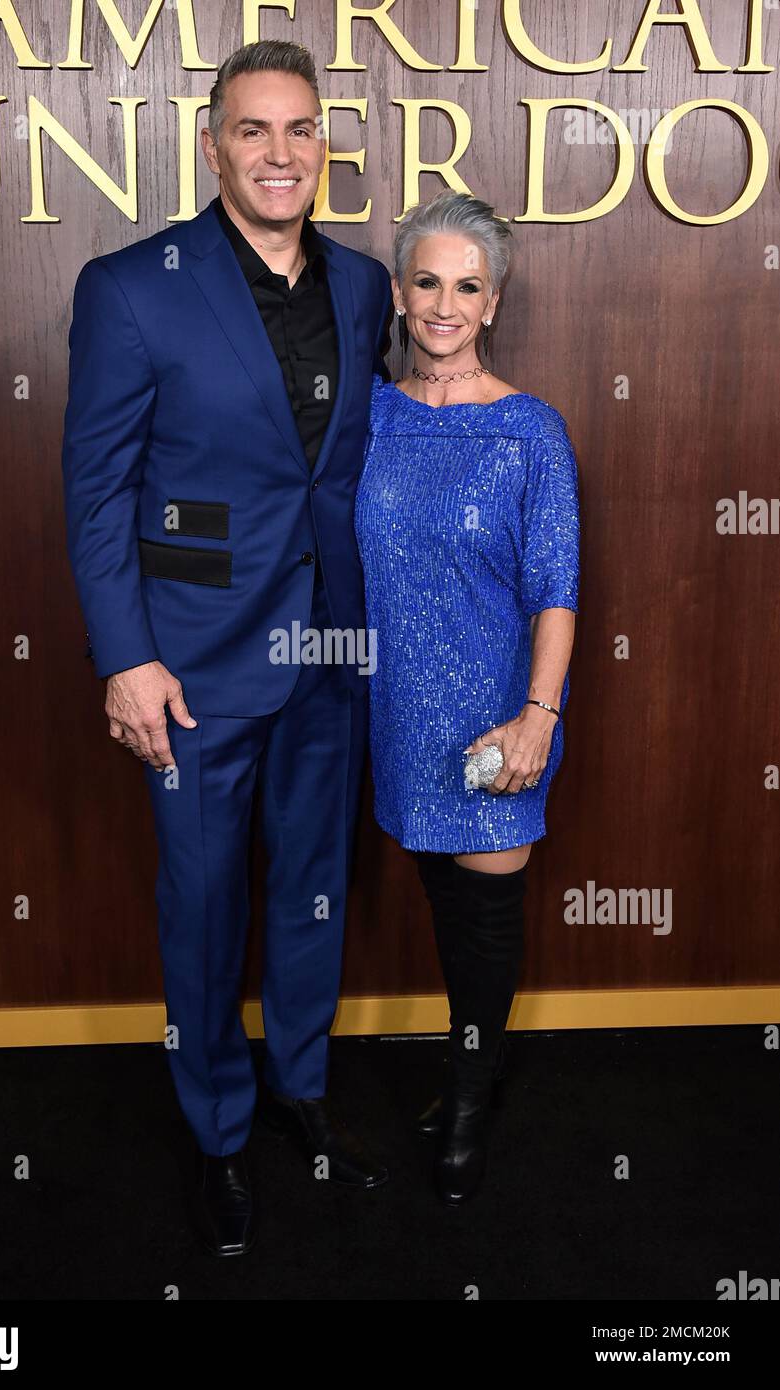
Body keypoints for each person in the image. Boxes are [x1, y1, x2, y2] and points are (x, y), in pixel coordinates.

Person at [61, 39, 394, 1257]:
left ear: (323, 146)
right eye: (253, 130)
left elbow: (354, 468)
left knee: (312, 891)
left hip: (329, 654)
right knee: (203, 906)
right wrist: (123, 657)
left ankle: (299, 1090)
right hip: (191, 667)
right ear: (211, 145)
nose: (279, 152)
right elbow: (97, 492)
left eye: (299, 129)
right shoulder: (132, 284)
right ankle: (215, 1130)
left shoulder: (362, 288)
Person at [354, 190, 580, 1204]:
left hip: (495, 716)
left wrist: (539, 715)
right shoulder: (367, 416)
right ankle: (467, 1071)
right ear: (401, 295)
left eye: (468, 286)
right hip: (398, 715)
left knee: (485, 922)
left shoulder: (531, 430)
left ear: (492, 304)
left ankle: (471, 1097)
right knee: (443, 905)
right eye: (427, 282)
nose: (445, 304)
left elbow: (556, 591)